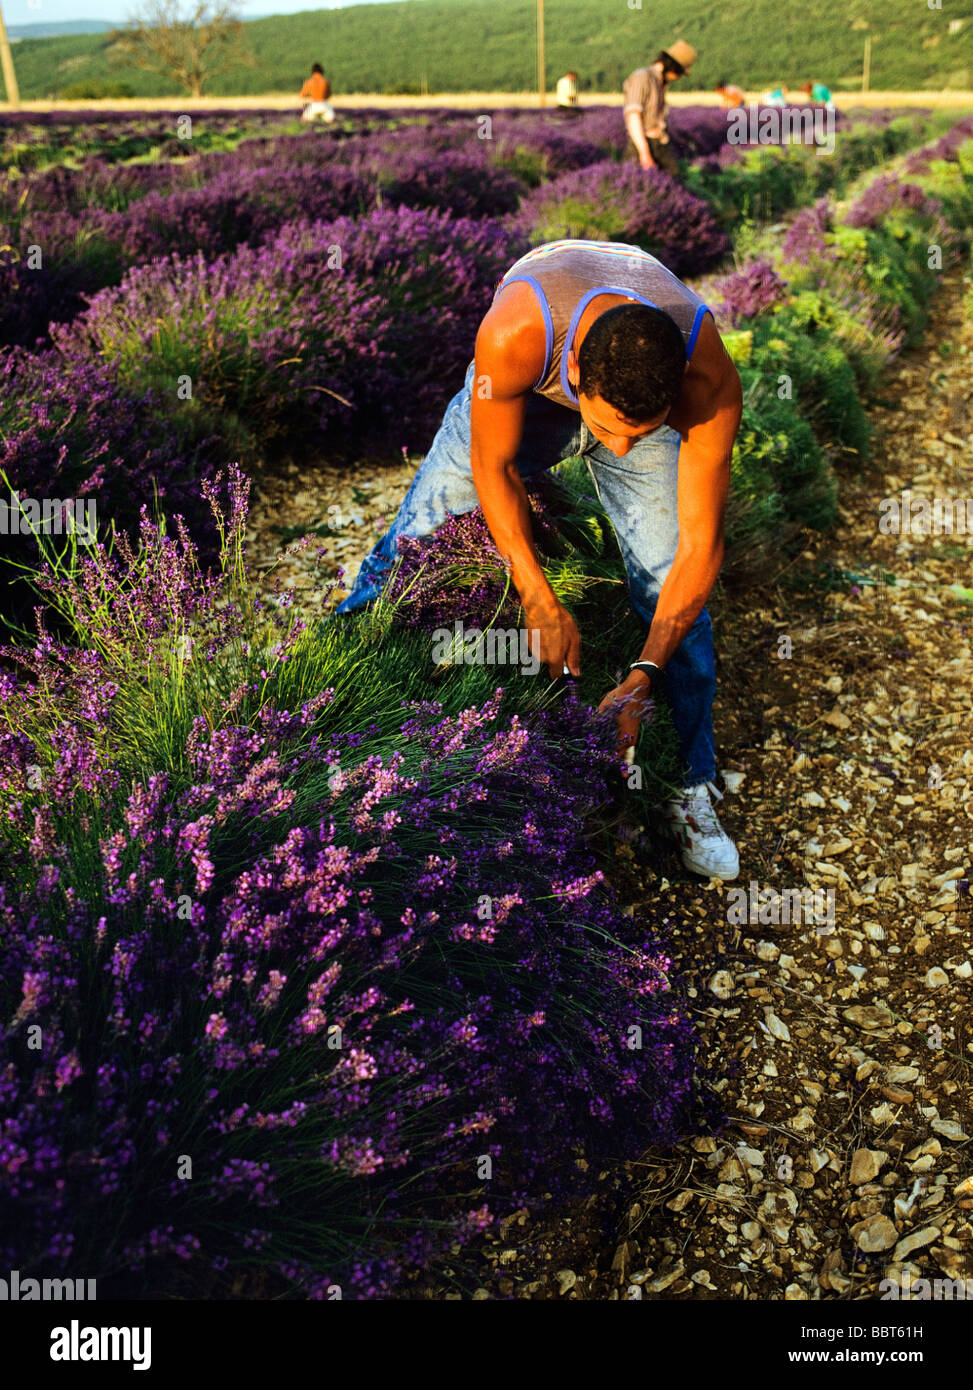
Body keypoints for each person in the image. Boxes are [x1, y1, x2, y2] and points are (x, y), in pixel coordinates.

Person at [337, 238, 744, 880]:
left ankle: (690, 785)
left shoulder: (705, 375)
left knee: (672, 587)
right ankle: (336, 664)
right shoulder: (517, 333)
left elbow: (701, 548)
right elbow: (491, 464)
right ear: (578, 377)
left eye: (639, 432)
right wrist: (537, 596)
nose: (619, 447)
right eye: (609, 430)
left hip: (624, 390)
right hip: (526, 391)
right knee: (415, 542)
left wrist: (643, 674)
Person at [622, 39, 697, 179]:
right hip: (642, 144)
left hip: (660, 143)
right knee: (635, 185)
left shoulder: (660, 82)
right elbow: (633, 117)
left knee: (675, 183)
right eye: (679, 73)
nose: (678, 78)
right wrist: (644, 153)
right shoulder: (642, 77)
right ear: (673, 67)